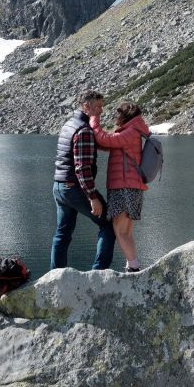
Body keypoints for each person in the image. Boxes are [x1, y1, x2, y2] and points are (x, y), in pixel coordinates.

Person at [50, 90, 115, 270]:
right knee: (109, 224)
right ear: (86, 106)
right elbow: (82, 168)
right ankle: (99, 273)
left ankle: (55, 275)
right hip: (75, 188)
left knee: (62, 234)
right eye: (98, 107)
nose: (101, 110)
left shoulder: (69, 124)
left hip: (59, 186)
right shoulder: (84, 130)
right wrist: (92, 197)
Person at [90, 102, 151, 272]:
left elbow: (105, 139)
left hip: (124, 187)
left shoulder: (131, 131)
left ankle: (134, 267)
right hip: (132, 186)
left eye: (118, 114)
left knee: (120, 230)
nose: (116, 118)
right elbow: (110, 144)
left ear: (125, 116)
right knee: (126, 231)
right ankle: (131, 265)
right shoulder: (134, 130)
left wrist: (93, 118)